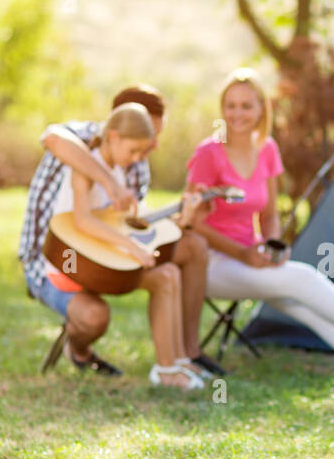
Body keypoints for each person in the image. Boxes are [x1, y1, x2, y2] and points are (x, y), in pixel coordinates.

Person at [185, 69, 334, 365]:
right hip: (210, 263)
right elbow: (191, 221)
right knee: (303, 278)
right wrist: (243, 255)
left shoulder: (266, 149)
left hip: (252, 259)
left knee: (301, 305)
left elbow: (268, 216)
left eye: (246, 105)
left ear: (260, 109)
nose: (237, 113)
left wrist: (272, 247)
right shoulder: (208, 154)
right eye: (230, 106)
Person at [19, 84, 221, 380]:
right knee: (95, 316)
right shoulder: (85, 154)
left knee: (168, 274)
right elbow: (84, 220)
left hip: (102, 258)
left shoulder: (129, 164)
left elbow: (129, 226)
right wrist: (113, 192)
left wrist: (184, 217)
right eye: (140, 142)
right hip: (64, 261)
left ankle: (173, 365)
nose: (148, 149)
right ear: (116, 131)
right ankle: (80, 350)